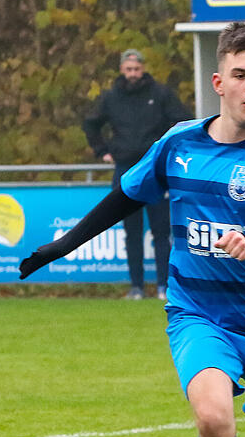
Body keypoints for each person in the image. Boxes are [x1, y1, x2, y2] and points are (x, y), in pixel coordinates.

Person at [21, 23, 245, 437]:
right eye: (240, 74)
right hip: (199, 314)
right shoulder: (178, 143)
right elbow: (127, 195)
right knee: (213, 421)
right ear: (219, 83)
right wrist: (64, 245)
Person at [82, 48, 191, 300]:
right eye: (128, 69)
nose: (133, 74)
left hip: (155, 169)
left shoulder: (161, 94)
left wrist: (171, 154)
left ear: (143, 69)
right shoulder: (111, 98)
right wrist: (102, 151)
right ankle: (136, 287)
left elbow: (183, 122)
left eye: (137, 69)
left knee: (162, 230)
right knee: (131, 230)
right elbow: (90, 123)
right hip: (125, 170)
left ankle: (164, 286)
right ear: (122, 69)